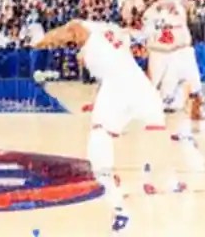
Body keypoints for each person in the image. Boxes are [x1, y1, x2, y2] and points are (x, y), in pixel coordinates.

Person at [33, 17, 164, 233]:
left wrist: (40, 42)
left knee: (98, 147)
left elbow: (67, 32)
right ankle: (157, 181)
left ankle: (119, 205)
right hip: (139, 85)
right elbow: (116, 54)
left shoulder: (83, 30)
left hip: (118, 88)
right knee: (153, 133)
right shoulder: (108, 30)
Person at [140, 0, 203, 131]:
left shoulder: (177, 7)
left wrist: (170, 1)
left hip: (182, 50)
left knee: (195, 86)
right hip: (164, 52)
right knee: (163, 93)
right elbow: (149, 34)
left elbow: (182, 2)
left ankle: (196, 110)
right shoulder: (149, 14)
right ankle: (152, 110)